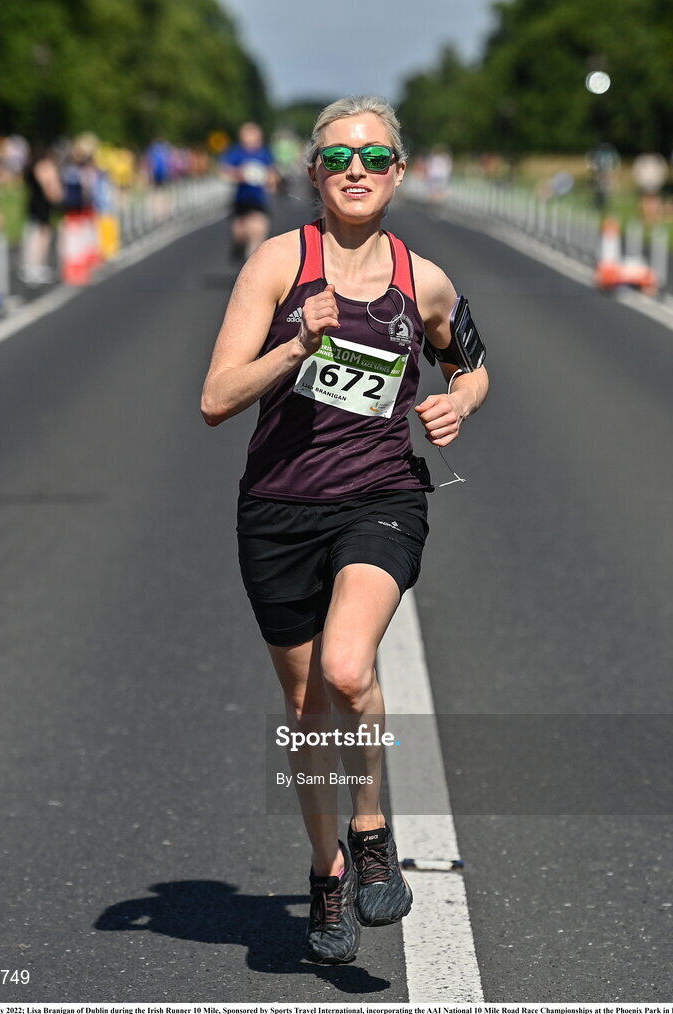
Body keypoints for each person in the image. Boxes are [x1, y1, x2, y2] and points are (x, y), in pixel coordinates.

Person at [201, 96, 489, 964]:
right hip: (279, 509)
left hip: (380, 497)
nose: (354, 172)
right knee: (303, 708)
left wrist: (456, 403)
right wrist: (295, 342)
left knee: (345, 668)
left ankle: (371, 834)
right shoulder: (277, 267)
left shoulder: (423, 278)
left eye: (372, 157)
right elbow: (216, 399)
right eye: (336, 159)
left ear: (399, 172)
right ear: (313, 174)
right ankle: (326, 871)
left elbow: (470, 364)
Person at [219, 122, 277, 262]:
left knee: (259, 230)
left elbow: (273, 174)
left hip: (258, 202)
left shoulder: (264, 154)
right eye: (247, 135)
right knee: (239, 233)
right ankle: (239, 245)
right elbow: (224, 171)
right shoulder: (237, 153)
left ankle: (252, 264)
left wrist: (270, 180)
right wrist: (238, 174)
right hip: (241, 201)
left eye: (253, 135)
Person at [20, 144, 63, 285]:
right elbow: (50, 187)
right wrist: (57, 195)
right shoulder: (43, 167)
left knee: (41, 235)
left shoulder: (34, 166)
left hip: (39, 204)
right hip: (40, 205)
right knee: (37, 236)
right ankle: (33, 266)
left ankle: (39, 264)